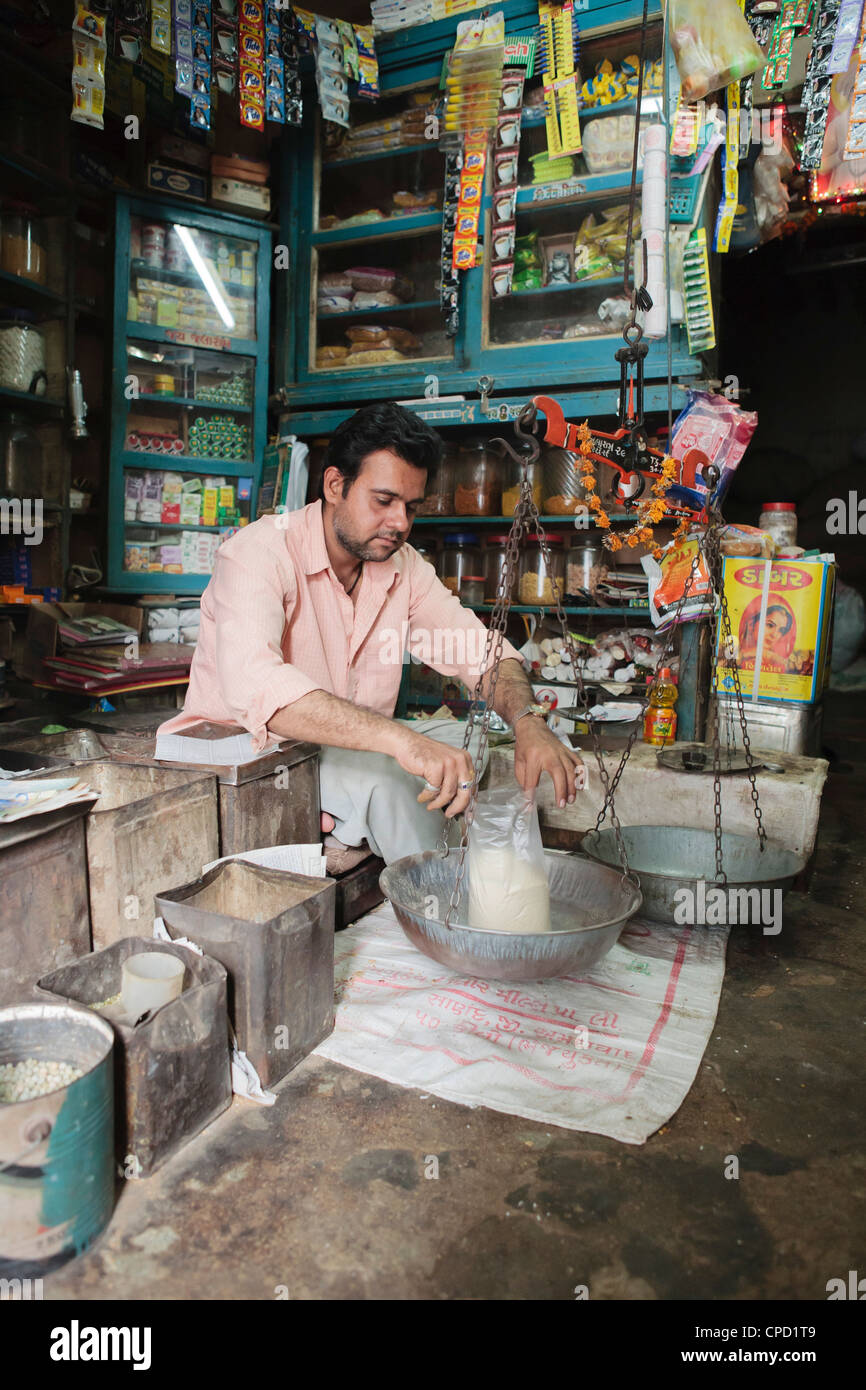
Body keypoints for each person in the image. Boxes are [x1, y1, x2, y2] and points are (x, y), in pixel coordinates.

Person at [157, 403, 586, 863]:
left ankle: (380, 835)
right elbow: (257, 687)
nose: (400, 523)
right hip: (248, 754)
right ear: (336, 486)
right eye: (383, 501)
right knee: (394, 780)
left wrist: (527, 720)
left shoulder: (399, 567)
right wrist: (405, 744)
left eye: (411, 507)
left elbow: (477, 650)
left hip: (340, 745)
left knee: (473, 746)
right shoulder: (257, 554)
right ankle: (439, 905)